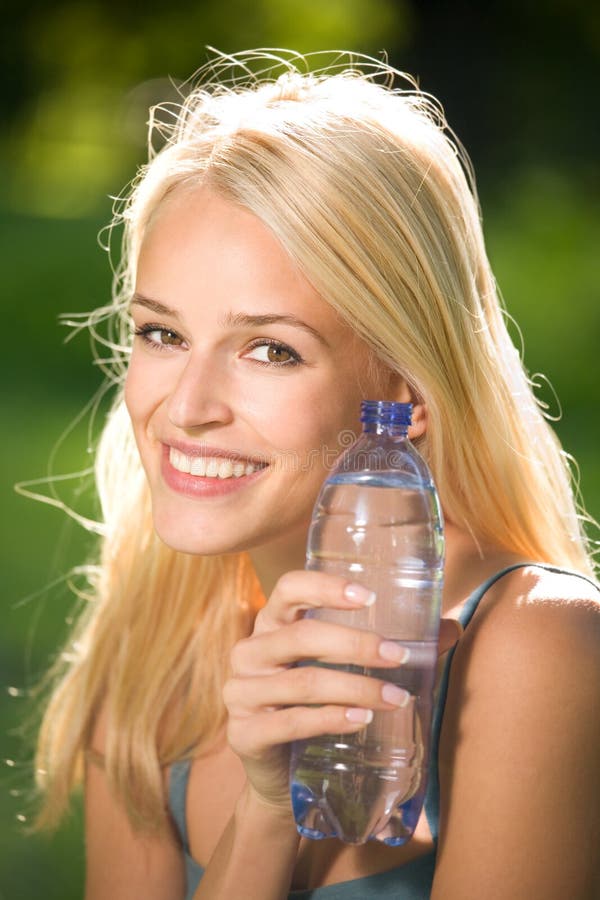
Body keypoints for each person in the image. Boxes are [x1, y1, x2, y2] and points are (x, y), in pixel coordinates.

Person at [34, 50, 600, 899]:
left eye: (270, 349)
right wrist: (269, 810)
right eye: (161, 333)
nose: (187, 408)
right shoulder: (153, 659)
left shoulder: (534, 649)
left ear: (401, 391)